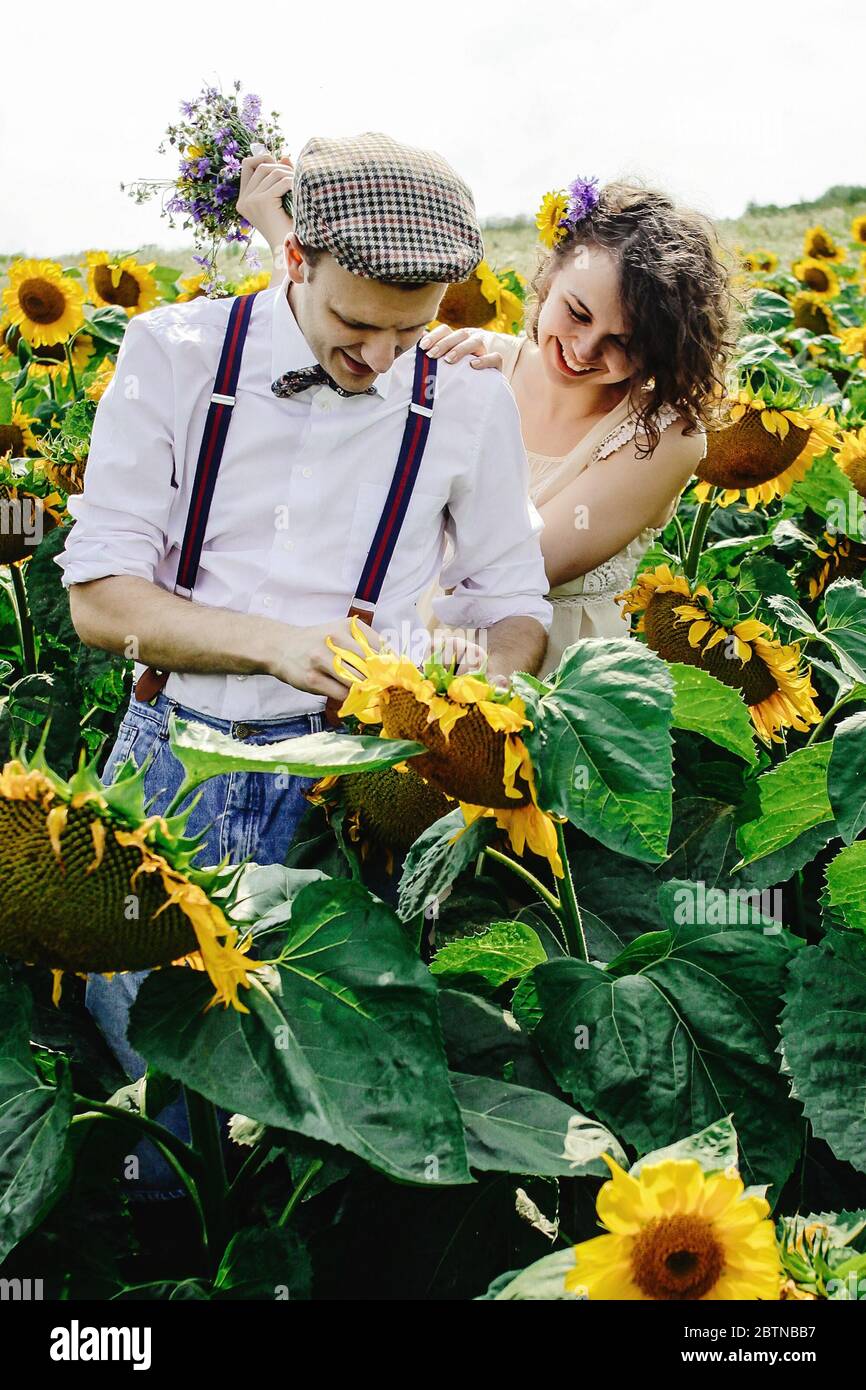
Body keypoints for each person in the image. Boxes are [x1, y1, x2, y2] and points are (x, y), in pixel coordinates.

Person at [56, 131, 551, 1192]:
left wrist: (469, 689)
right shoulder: (174, 353)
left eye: (409, 331)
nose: (378, 356)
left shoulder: (466, 399)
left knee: (331, 1117)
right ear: (294, 259)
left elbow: (512, 604)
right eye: (353, 323)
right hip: (169, 767)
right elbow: (99, 599)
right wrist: (276, 645)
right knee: (159, 1096)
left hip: (352, 785)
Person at [240, 166, 734, 676]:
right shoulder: (469, 361)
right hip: (418, 646)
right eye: (579, 314)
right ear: (549, 276)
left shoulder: (664, 435)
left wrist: (482, 422)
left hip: (551, 680)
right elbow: (310, 410)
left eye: (624, 343)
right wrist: (291, 251)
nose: (585, 350)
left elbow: (513, 566)